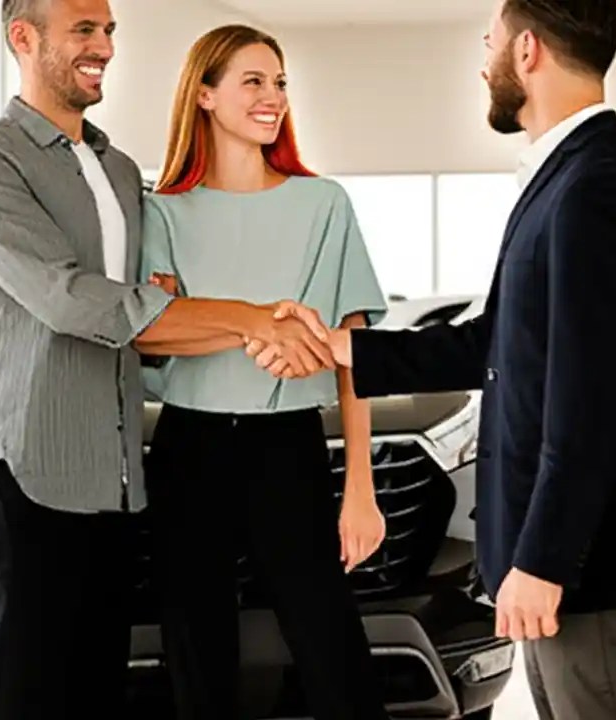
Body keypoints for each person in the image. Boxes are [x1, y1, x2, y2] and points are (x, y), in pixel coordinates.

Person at [294, 1, 616, 718]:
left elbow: (592, 406)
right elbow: (496, 343)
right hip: (571, 567)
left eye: (489, 44)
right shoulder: (568, 179)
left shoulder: (598, 187)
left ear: (527, 52)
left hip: (588, 570)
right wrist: (343, 349)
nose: (484, 62)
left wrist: (545, 560)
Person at [0, 1, 336, 718]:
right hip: (28, 472)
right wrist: (249, 320)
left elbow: (148, 313)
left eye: (110, 31)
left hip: (117, 480)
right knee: (24, 699)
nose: (104, 47)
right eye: (84, 31)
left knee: (99, 696)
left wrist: (219, 322)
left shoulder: (122, 170)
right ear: (23, 39)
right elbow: (72, 301)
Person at [139, 24, 392, 720]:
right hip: (189, 449)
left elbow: (350, 353)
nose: (273, 96)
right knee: (197, 654)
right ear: (206, 94)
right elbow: (154, 335)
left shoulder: (324, 206)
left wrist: (361, 489)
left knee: (330, 644)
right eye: (253, 81)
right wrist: (262, 325)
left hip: (289, 448)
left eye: (279, 82)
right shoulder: (159, 212)